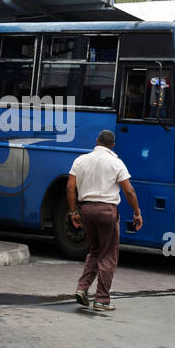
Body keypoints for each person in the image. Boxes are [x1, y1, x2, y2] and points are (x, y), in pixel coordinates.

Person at [67, 129, 143, 311]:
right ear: (113, 145)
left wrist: (73, 213)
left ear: (96, 141)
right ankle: (101, 299)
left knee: (94, 250)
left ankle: (82, 288)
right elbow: (129, 190)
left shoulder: (80, 160)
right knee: (108, 254)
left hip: (86, 210)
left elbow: (70, 187)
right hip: (107, 211)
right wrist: (137, 212)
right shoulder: (116, 163)